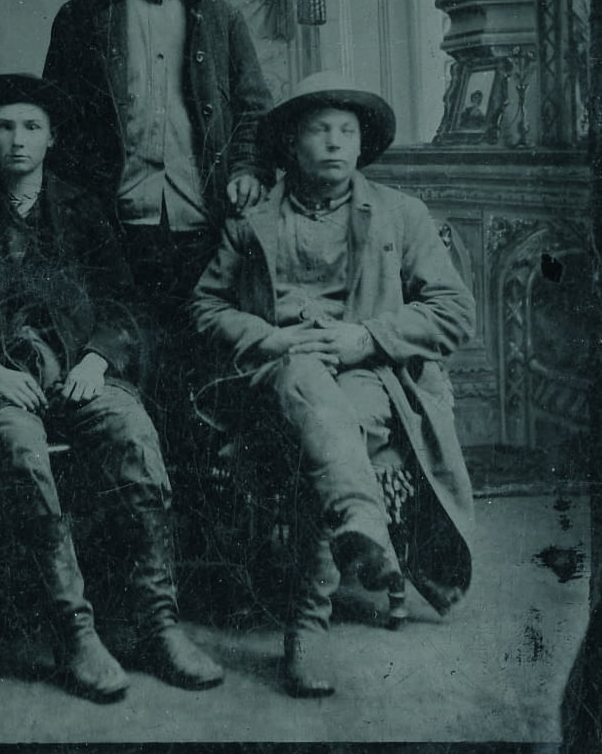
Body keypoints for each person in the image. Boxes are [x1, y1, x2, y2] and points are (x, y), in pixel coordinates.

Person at [0, 74, 223, 703]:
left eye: (32, 127)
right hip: (1, 381)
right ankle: (74, 631)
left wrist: (95, 359)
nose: (18, 140)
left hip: (79, 374)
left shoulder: (83, 208)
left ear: (52, 137)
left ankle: (158, 625)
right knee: (21, 451)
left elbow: (118, 300)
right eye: (5, 127)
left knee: (134, 434)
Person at [192, 71, 476, 698]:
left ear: (361, 143)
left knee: (330, 432)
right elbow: (206, 307)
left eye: (346, 131)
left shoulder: (401, 215)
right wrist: (275, 338)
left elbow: (455, 311)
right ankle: (355, 533)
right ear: (291, 144)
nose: (334, 143)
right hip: (279, 373)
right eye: (319, 130)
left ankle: (312, 613)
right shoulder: (253, 221)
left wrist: (367, 337)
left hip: (368, 374)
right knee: (311, 392)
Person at [42, 0, 273, 361]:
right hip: (114, 220)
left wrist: (249, 167)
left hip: (202, 214)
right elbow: (55, 121)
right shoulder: (81, 17)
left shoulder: (220, 18)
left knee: (199, 354)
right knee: (122, 350)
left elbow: (255, 110)